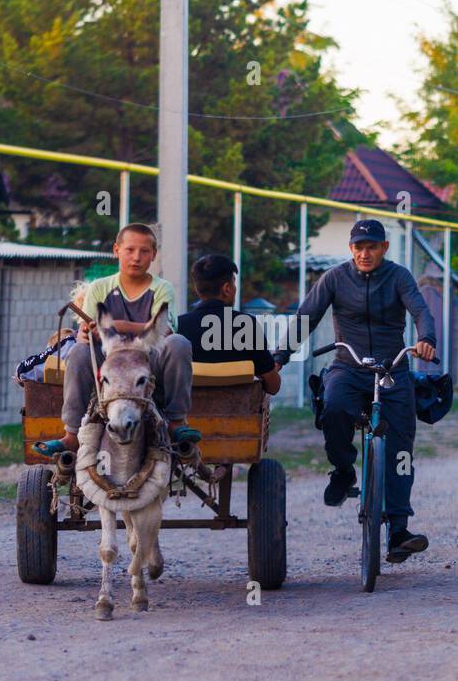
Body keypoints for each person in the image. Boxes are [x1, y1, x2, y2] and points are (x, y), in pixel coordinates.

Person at [284, 218, 438, 563]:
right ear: (351, 248)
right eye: (358, 247)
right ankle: (343, 470)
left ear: (384, 248)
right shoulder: (335, 278)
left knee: (401, 449)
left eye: (371, 247)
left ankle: (398, 529)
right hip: (349, 365)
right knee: (334, 408)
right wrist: (281, 354)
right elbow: (307, 316)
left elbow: (420, 310)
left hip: (392, 368)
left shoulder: (399, 277)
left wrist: (426, 339)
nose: (364, 253)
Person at [37, 222, 198, 456]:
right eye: (130, 250)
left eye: (144, 251)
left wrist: (120, 326)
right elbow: (88, 330)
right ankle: (71, 433)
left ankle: (176, 422)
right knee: (79, 352)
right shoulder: (100, 288)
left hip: (146, 361)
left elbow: (166, 330)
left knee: (179, 343)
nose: (136, 257)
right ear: (116, 250)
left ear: (153, 255)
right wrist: (84, 333)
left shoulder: (162, 288)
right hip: (109, 363)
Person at [177, 254, 281, 395]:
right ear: (226, 288)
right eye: (234, 283)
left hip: (188, 414)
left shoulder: (178, 326)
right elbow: (273, 387)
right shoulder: (246, 326)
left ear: (197, 289)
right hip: (241, 414)